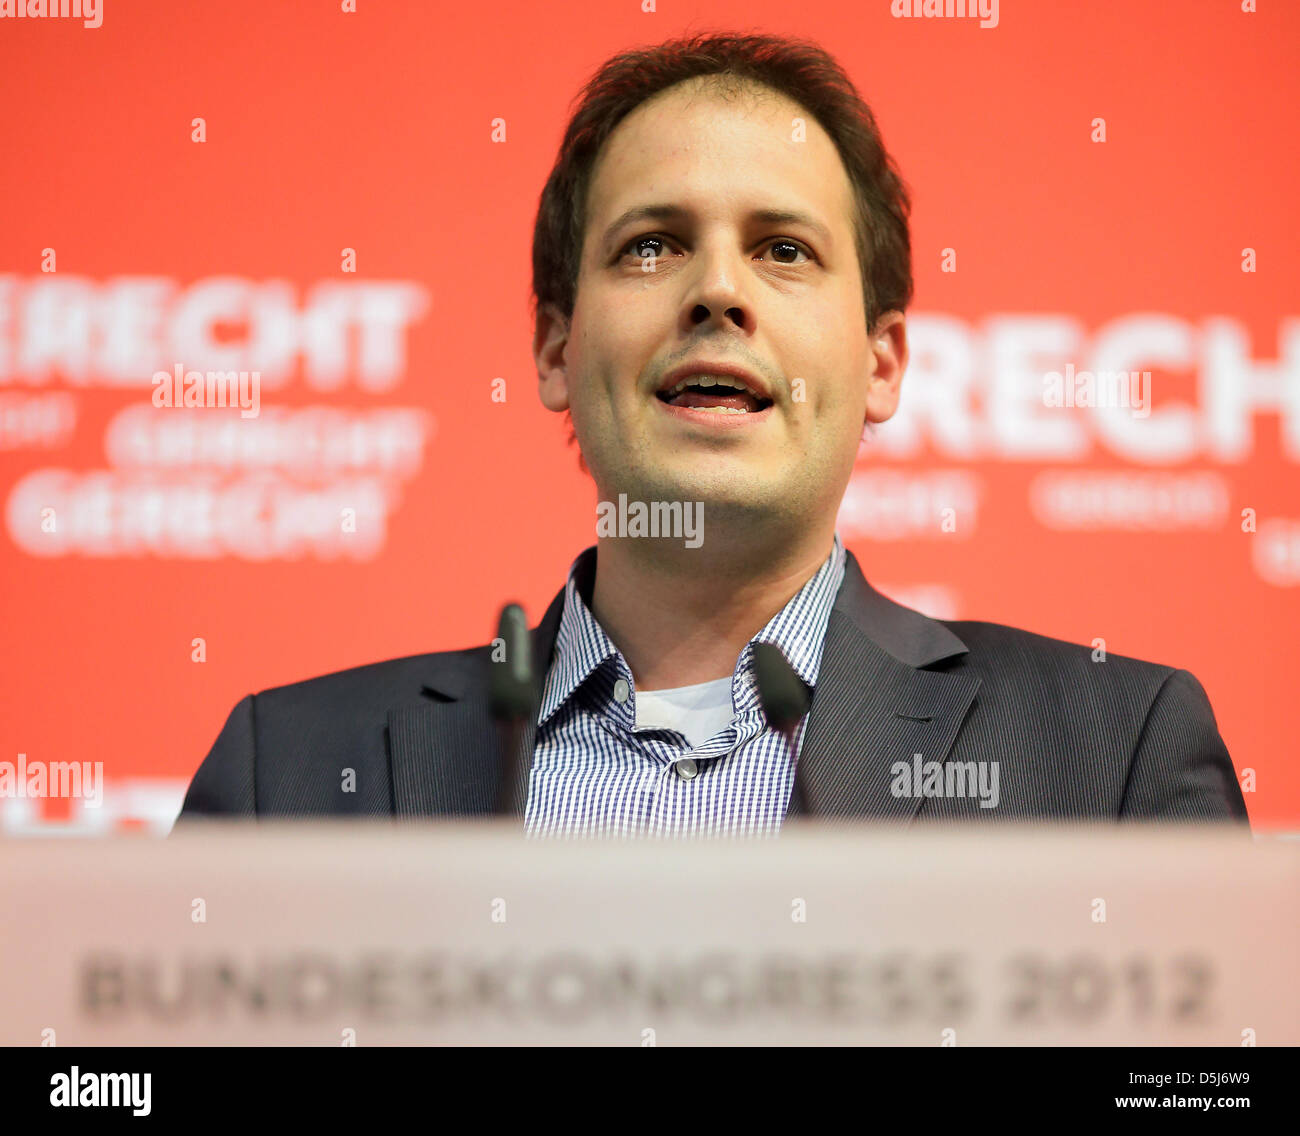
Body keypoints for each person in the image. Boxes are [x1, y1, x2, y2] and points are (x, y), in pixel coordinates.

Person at [176, 32, 1248, 835]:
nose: (717, 290)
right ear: (555, 348)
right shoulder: (295, 772)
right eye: (651, 246)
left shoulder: (1111, 757)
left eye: (783, 250)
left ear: (881, 363)